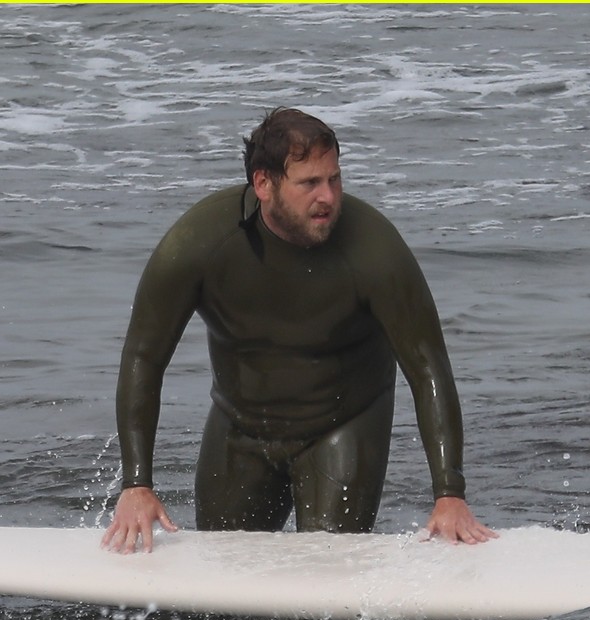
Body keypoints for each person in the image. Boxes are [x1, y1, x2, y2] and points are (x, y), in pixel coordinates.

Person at [102, 107, 496, 553]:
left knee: (326, 586)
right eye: (309, 183)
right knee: (219, 591)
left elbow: (428, 371)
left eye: (334, 179)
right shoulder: (199, 245)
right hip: (239, 427)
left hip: (343, 425)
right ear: (264, 184)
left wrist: (449, 494)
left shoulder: (375, 251)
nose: (327, 197)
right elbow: (143, 356)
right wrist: (136, 485)